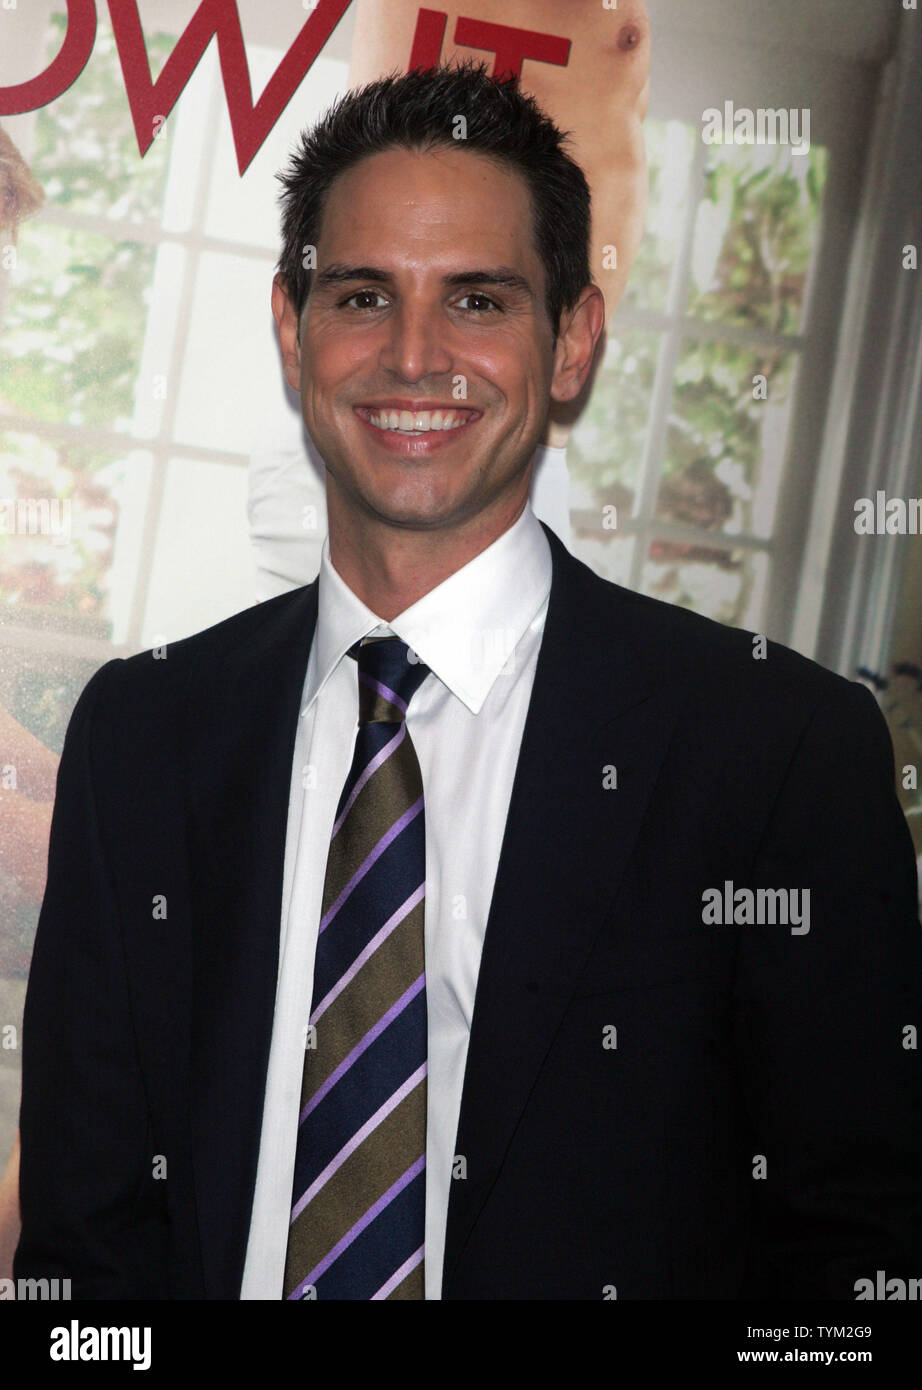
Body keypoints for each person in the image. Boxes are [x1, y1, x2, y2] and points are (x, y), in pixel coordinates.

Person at [14, 62, 922, 1300]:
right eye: (361, 295)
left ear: (573, 343)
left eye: (480, 300)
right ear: (293, 329)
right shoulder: (145, 732)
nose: (415, 355)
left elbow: (853, 1258)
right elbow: (84, 1244)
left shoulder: (774, 750)